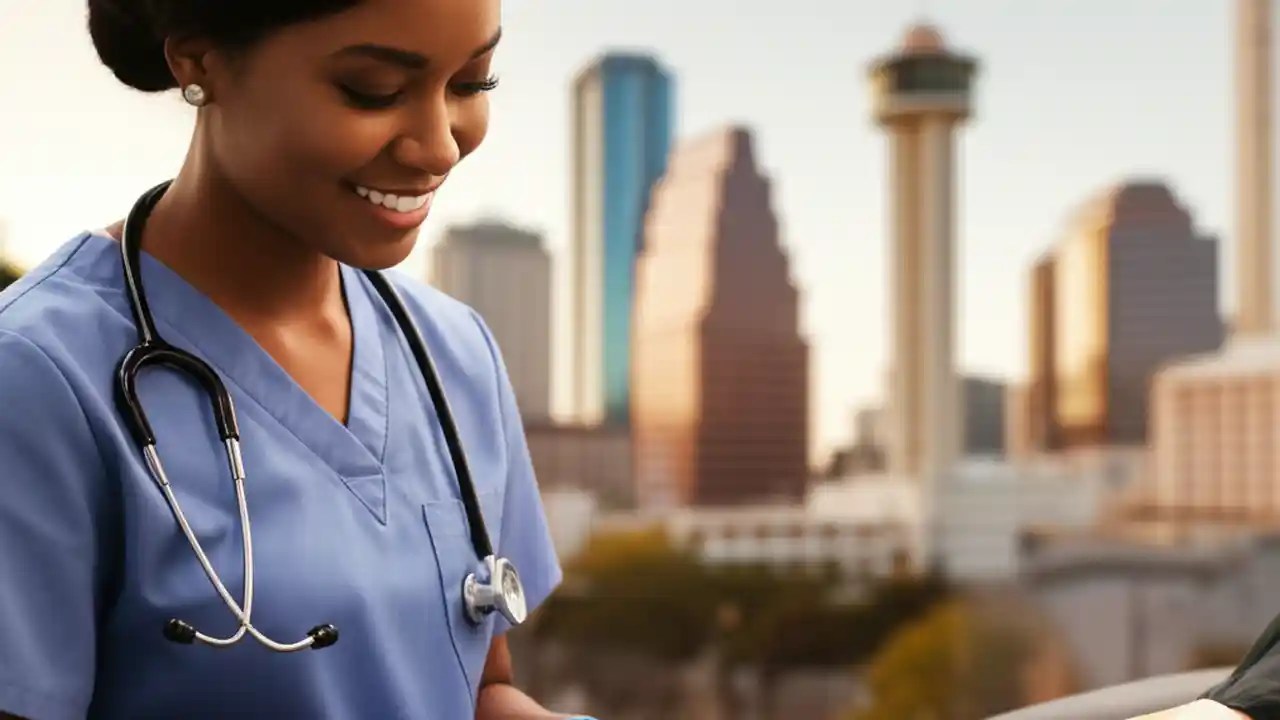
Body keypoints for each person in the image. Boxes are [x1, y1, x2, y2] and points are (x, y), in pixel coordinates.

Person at [0, 2, 596, 719]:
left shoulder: (454, 353)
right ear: (197, 60)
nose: (439, 146)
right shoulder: (36, 377)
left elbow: (478, 690)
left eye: (472, 83)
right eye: (373, 89)